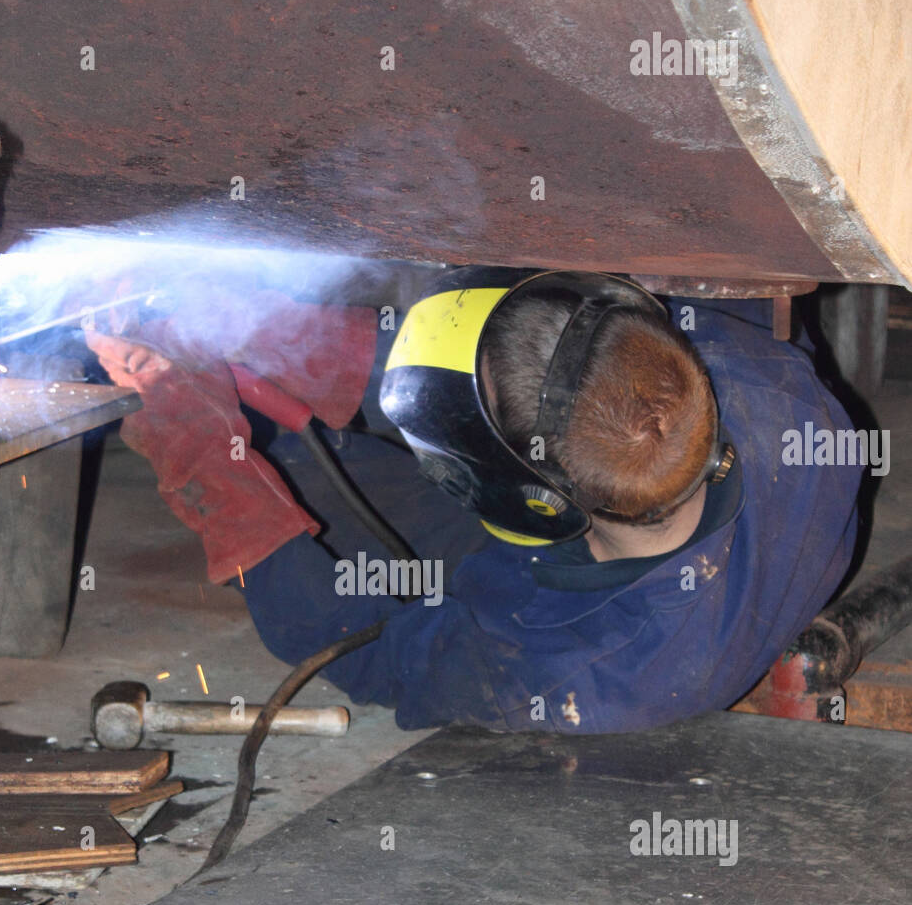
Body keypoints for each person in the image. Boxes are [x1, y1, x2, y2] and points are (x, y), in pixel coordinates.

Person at [88, 268, 862, 734]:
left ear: (536, 506)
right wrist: (278, 336)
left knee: (319, 551)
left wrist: (207, 460)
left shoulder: (563, 668)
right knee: (320, 465)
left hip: (573, 605)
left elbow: (357, 648)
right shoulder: (760, 383)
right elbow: (550, 371)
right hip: (645, 531)